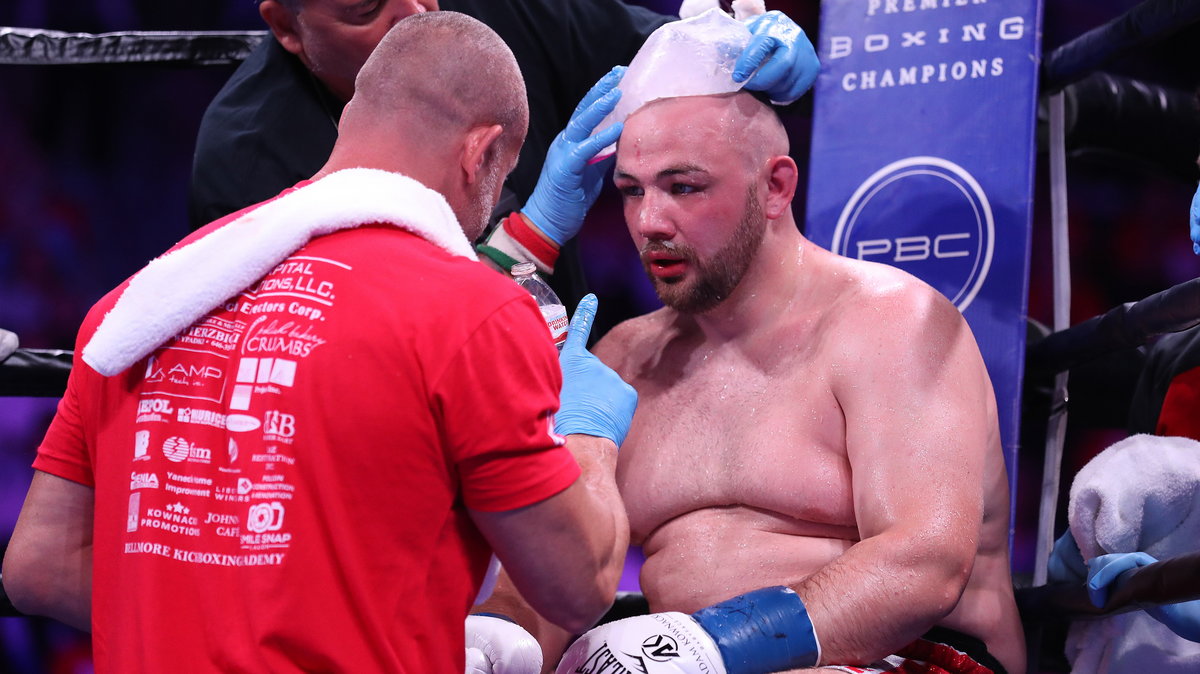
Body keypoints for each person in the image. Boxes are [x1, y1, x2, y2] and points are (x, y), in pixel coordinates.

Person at [1, 13, 637, 672]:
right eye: (503, 180)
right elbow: (578, 588)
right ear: (480, 155)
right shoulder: (475, 315)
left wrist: (239, 617)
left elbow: (39, 565)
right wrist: (587, 433)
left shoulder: (138, 306)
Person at [554, 91, 1026, 673]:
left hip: (904, 653)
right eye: (631, 191)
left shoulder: (891, 320)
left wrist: (715, 645)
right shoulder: (625, 359)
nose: (649, 221)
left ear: (775, 187)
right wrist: (498, 640)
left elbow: (924, 565)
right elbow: (554, 577)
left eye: (684, 187)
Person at [189, 0, 819, 316]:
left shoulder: (504, 8)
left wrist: (740, 55)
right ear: (287, 27)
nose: (414, 17)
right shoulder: (249, 157)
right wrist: (535, 232)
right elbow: (349, 361)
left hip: (564, 374)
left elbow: (669, 53)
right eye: (364, 10)